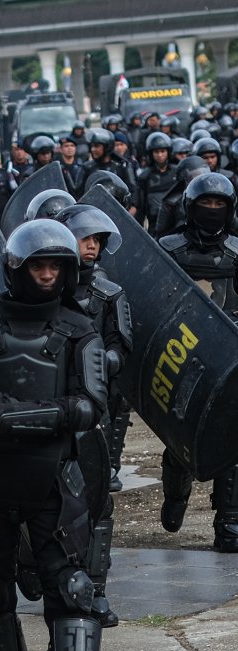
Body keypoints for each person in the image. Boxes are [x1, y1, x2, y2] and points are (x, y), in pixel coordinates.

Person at [0, 219, 112, 651]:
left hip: (56, 476)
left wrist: (15, 416)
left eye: (56, 265)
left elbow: (91, 406)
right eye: (39, 265)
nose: (48, 274)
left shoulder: (79, 330)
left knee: (73, 588)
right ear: (18, 267)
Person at [54, 205, 131, 627]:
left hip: (93, 408)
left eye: (97, 240)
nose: (92, 246)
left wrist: (97, 360)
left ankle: (95, 589)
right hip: (48, 407)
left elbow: (122, 348)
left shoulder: (109, 294)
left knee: (97, 500)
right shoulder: (42, 289)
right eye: (86, 238)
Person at [158, 174, 238, 553]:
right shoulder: (168, 250)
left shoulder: (236, 252)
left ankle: (230, 522)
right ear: (191, 207)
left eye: (219, 204)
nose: (212, 210)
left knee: (232, 440)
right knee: (181, 440)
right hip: (182, 356)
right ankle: (176, 495)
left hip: (228, 358)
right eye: (206, 203)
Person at [136, 132, 176, 231]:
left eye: (163, 151)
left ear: (168, 151)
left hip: (176, 223)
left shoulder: (177, 172)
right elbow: (141, 207)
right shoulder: (145, 176)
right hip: (155, 225)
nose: (160, 155)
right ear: (151, 153)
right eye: (156, 152)